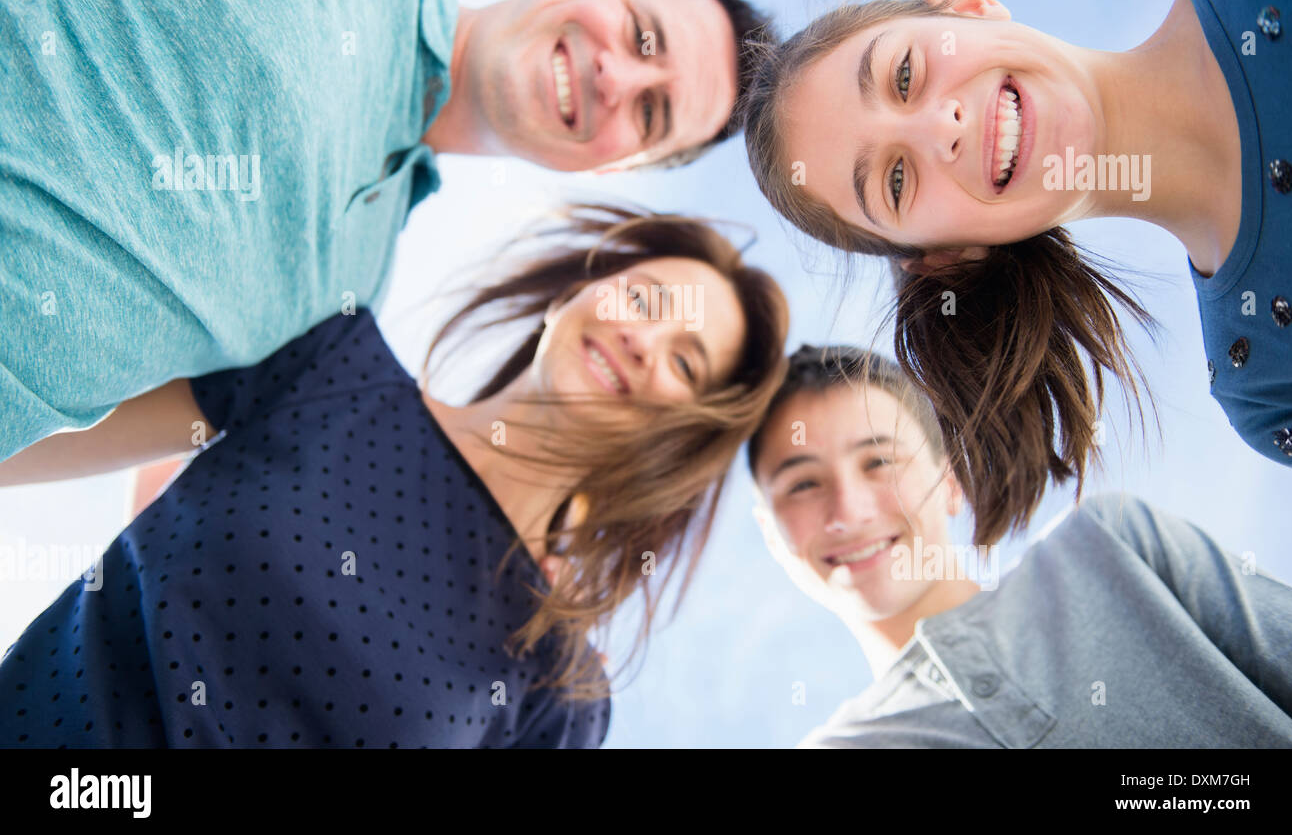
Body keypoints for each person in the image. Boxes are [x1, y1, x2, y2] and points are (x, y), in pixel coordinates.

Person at [0, 0, 774, 465]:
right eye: (643, 36)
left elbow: (85, 440)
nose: (619, 77)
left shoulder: (350, 305)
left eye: (652, 112)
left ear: (614, 169)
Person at [0, 203, 790, 747]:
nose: (647, 340)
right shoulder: (325, 360)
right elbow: (25, 431)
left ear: (677, 436)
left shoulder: (560, 682)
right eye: (645, 297)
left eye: (686, 360)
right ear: (573, 293)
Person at [742, 0, 1292, 545]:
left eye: (905, 75)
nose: (939, 129)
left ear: (964, 6)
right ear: (949, 255)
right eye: (894, 181)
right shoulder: (1270, 384)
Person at [748, 344, 1292, 748]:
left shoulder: (1114, 545)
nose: (850, 511)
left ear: (949, 484)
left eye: (880, 462)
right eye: (802, 484)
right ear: (772, 535)